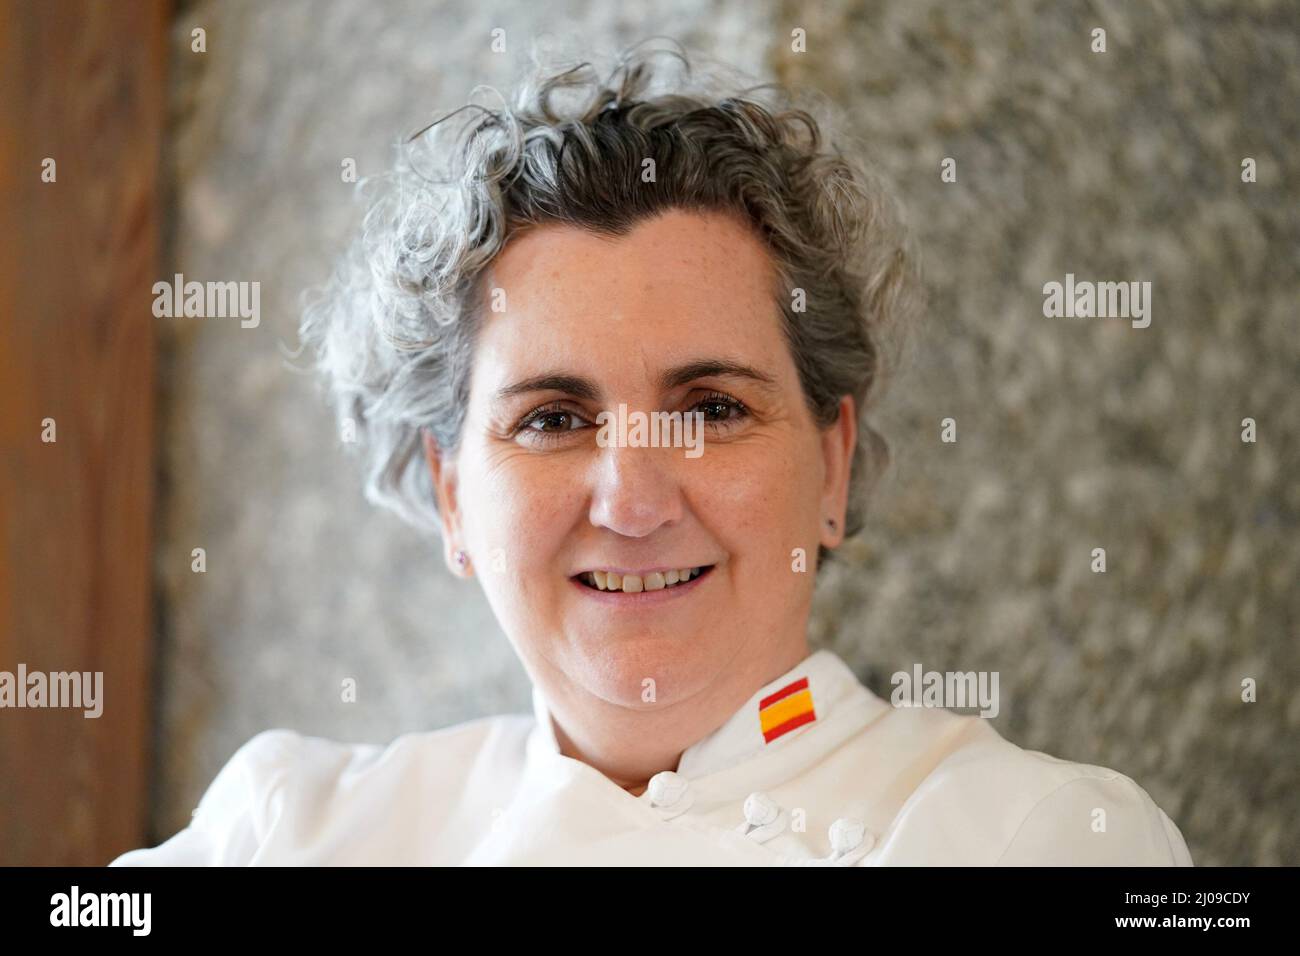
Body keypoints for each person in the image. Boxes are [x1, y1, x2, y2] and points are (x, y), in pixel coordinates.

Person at [111, 42, 1192, 866]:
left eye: (712, 407)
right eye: (551, 417)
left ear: (832, 461)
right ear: (450, 496)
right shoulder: (293, 829)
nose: (631, 497)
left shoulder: (1038, 838)